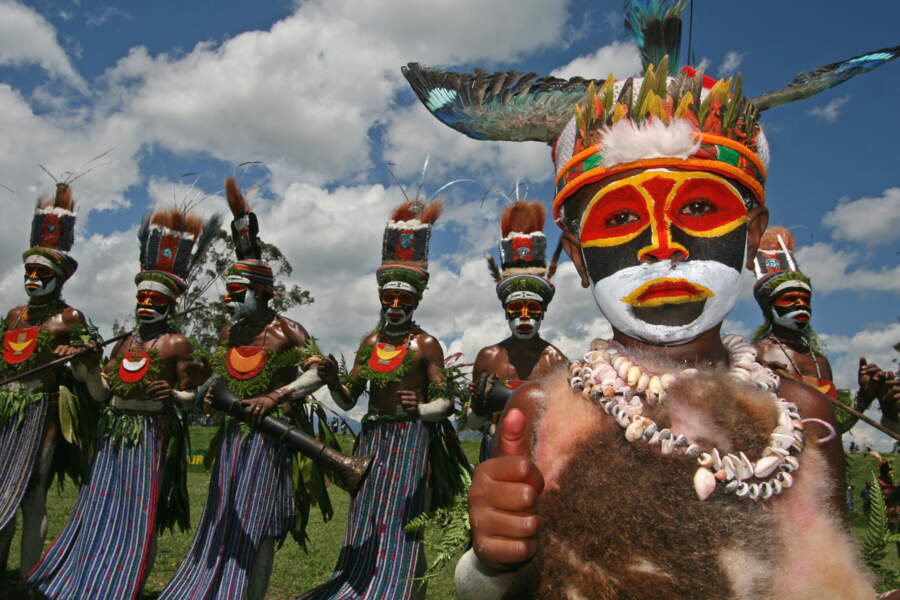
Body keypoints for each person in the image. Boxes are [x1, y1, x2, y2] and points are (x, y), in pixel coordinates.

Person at [402, 3, 900, 596]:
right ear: (581, 257)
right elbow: (500, 584)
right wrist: (492, 563)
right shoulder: (537, 410)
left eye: (696, 207)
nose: (662, 248)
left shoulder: (802, 419)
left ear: (750, 232)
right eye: (622, 218)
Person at [160, 178, 336, 600]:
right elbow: (219, 384)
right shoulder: (228, 333)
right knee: (225, 517)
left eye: (236, 292)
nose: (228, 300)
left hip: (275, 440)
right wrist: (190, 393)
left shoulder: (289, 330)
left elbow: (315, 375)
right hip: (234, 442)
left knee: (262, 524)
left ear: (261, 292)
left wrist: (275, 397)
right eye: (229, 291)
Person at [28, 205, 215, 599]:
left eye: (153, 298)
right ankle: (87, 579)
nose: (145, 304)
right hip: (113, 434)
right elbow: (101, 395)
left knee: (138, 515)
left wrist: (180, 394)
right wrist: (91, 367)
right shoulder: (126, 342)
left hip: (151, 435)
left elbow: (190, 399)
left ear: (170, 304)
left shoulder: (176, 343)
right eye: (141, 297)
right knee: (98, 507)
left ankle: (125, 584)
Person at [299, 198, 466, 600]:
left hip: (410, 441)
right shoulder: (370, 343)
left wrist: (421, 409)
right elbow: (346, 400)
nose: (394, 307)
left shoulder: (426, 345)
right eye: (388, 300)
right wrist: (331, 380)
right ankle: (360, 580)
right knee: (366, 516)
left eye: (402, 301)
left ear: (415, 302)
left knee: (403, 518)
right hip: (372, 440)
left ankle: (400, 589)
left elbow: (446, 403)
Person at [0, 183, 97, 584]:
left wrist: (78, 356)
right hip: (5, 412)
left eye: (42, 273)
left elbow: (91, 359)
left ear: (59, 278)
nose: (33, 279)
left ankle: (26, 578)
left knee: (33, 497)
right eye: (29, 272)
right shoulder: (13, 316)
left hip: (43, 413)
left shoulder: (71, 318)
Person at [466, 200, 567, 461]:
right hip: (495, 448)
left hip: (541, 452)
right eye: (516, 309)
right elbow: (474, 420)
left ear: (543, 311)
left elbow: (566, 416)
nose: (524, 316)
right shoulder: (488, 357)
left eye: (531, 308)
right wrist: (477, 406)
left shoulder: (556, 361)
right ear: (506, 312)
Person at [752, 226, 836, 397]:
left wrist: (864, 398)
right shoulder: (755, 354)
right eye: (790, 299)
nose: (801, 305)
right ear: (769, 308)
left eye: (806, 300)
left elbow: (834, 422)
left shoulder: (819, 361)